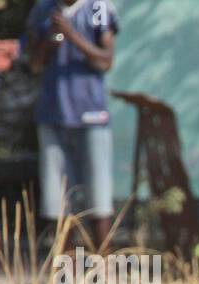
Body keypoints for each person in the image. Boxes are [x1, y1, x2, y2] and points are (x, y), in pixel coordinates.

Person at [24, 0, 119, 250]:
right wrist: (52, 40)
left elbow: (106, 61)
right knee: (58, 197)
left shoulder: (99, 9)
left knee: (98, 191)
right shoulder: (43, 10)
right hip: (53, 114)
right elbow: (34, 63)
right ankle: (67, 273)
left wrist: (72, 35)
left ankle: (104, 271)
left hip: (92, 114)